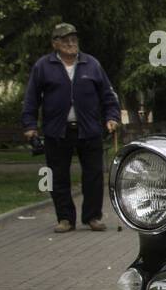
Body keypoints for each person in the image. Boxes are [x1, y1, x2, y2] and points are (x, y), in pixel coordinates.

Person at [22, 24, 121, 233]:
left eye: (73, 39)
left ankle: (92, 217)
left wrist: (112, 117)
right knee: (57, 176)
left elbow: (108, 96)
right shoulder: (43, 66)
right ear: (54, 43)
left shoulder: (91, 64)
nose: (70, 43)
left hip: (89, 130)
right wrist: (30, 126)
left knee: (94, 176)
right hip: (56, 131)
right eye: (65, 39)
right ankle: (65, 219)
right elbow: (31, 99)